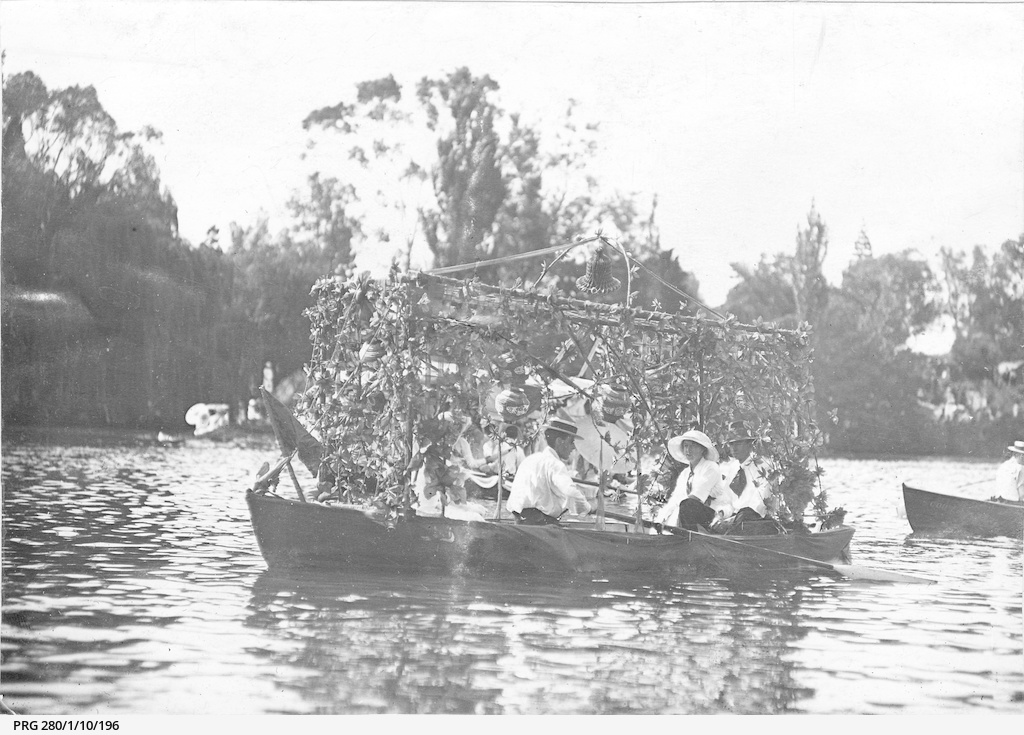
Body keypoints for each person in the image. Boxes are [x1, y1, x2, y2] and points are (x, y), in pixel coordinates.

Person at [506, 417, 593, 525]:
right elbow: (571, 492)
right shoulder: (554, 464)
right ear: (559, 441)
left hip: (518, 520)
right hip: (540, 523)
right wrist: (587, 508)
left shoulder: (530, 459)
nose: (574, 447)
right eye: (571, 442)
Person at [655, 429, 735, 530]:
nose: (688, 450)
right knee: (680, 508)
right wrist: (661, 519)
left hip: (715, 516)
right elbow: (675, 499)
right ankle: (681, 537)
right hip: (692, 513)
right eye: (686, 446)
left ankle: (691, 540)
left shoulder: (711, 467)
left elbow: (696, 497)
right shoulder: (685, 473)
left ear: (702, 449)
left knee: (687, 505)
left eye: (693, 446)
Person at [719, 426, 772, 523]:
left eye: (738, 443)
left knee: (745, 514)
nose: (734, 448)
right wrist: (722, 513)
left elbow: (760, 504)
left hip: (755, 520)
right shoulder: (733, 467)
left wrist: (735, 519)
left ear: (750, 444)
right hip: (735, 519)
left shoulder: (763, 466)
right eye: (731, 444)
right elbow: (727, 501)